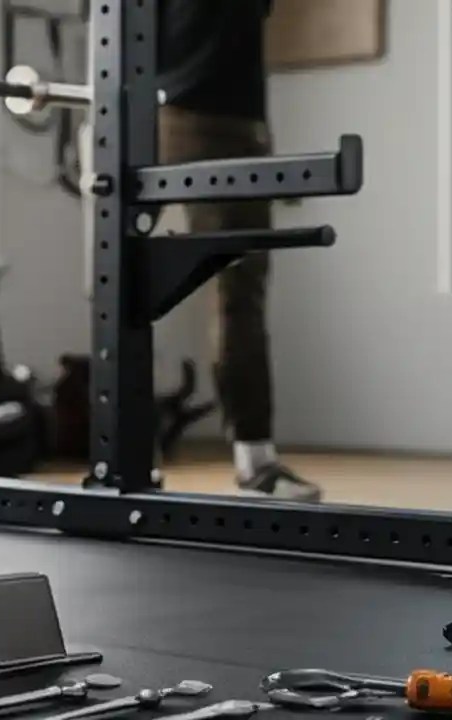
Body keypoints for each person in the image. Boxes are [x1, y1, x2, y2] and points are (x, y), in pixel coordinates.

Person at [157, 0, 321, 501]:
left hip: (234, 122)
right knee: (229, 287)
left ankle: (255, 461)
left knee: (240, 288)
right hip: (189, 117)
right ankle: (252, 463)